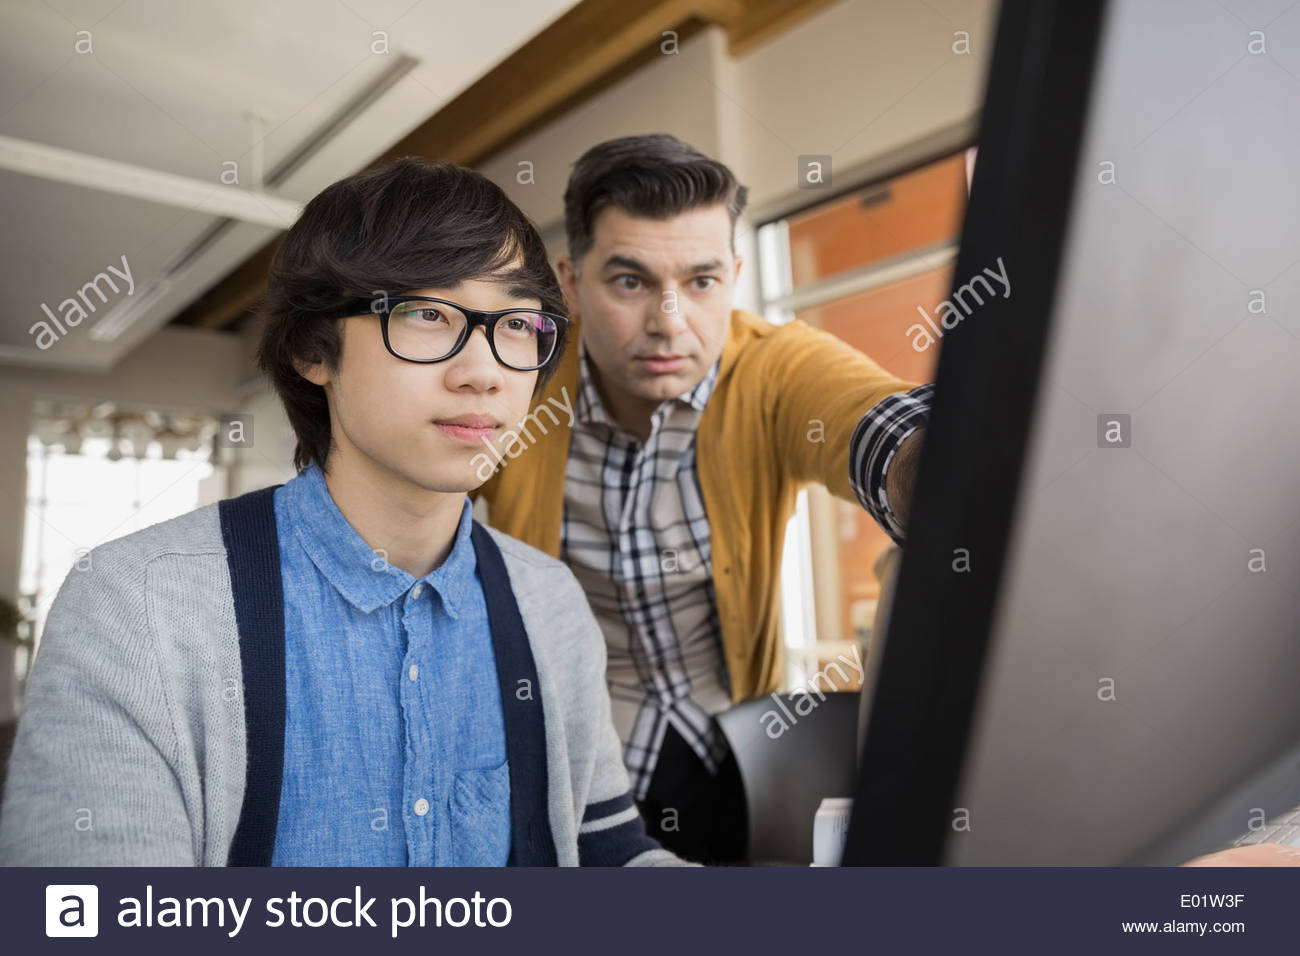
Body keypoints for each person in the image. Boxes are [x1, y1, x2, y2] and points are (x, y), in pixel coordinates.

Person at [0, 158, 683, 868]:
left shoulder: (550, 603)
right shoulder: (136, 609)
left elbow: (609, 855)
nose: (484, 371)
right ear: (309, 348)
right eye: (427, 314)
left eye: (515, 323)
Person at [473, 134, 934, 863]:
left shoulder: (775, 370)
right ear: (570, 281)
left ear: (736, 276)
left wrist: (943, 472)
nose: (669, 321)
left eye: (702, 281)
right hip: (566, 751)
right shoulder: (520, 382)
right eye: (629, 282)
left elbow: (874, 420)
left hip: (732, 753)